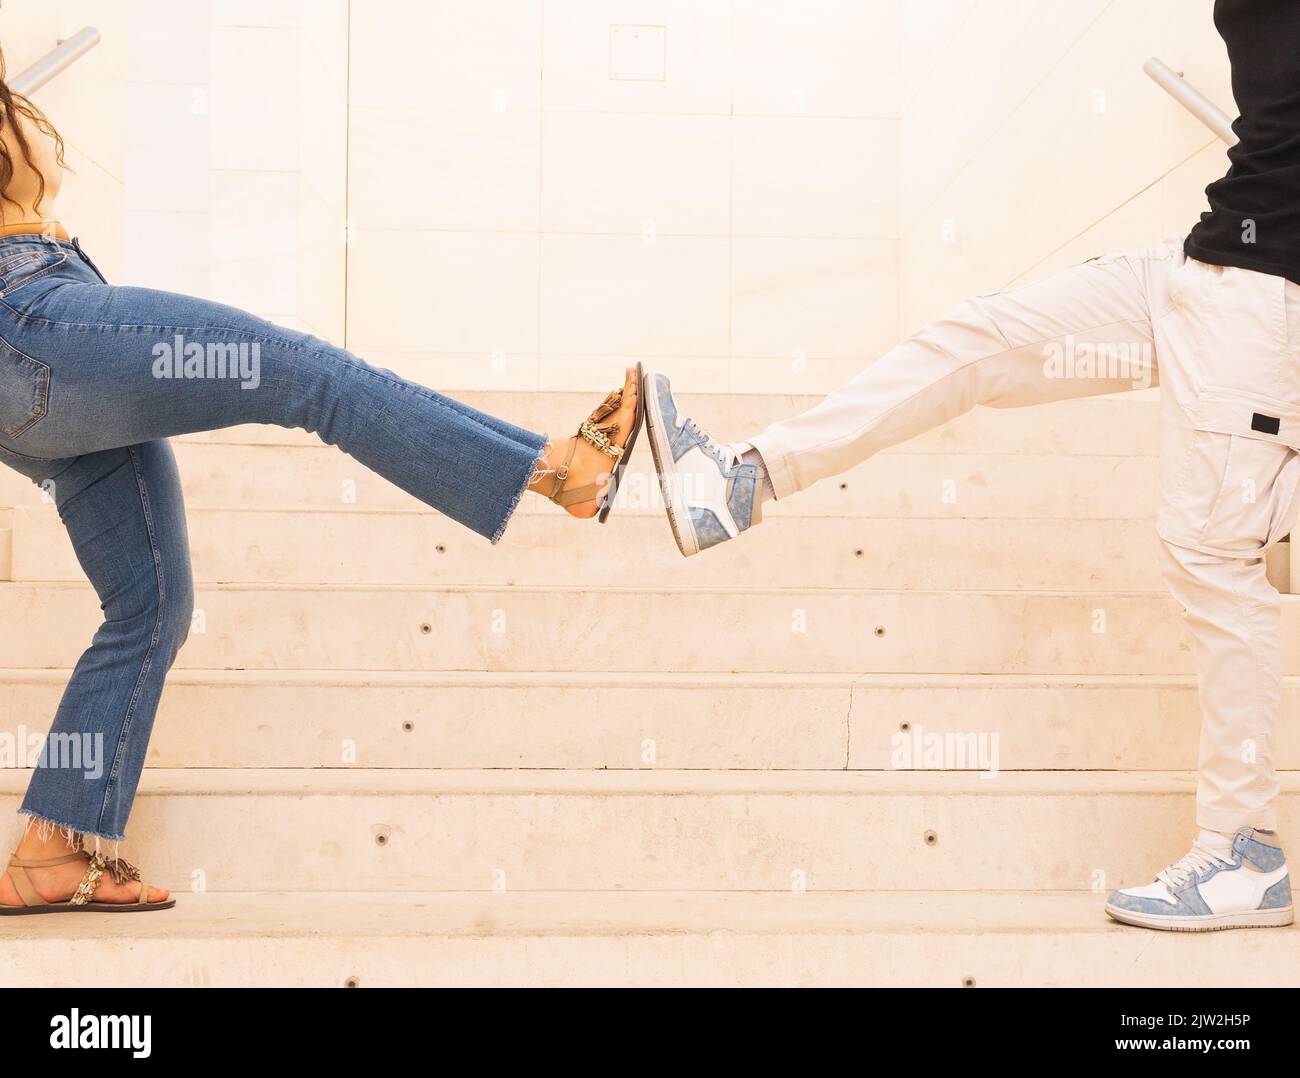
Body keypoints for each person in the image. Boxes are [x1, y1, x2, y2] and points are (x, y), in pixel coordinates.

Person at [642, 0, 1296, 930]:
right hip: (1195, 270)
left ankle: (1244, 852)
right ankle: (740, 481)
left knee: (1210, 561)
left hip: (1263, 305)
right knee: (979, 340)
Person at [0, 51, 641, 913]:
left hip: (49, 353)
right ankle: (555, 470)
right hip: (30, 324)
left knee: (152, 603)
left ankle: (52, 846)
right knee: (304, 372)